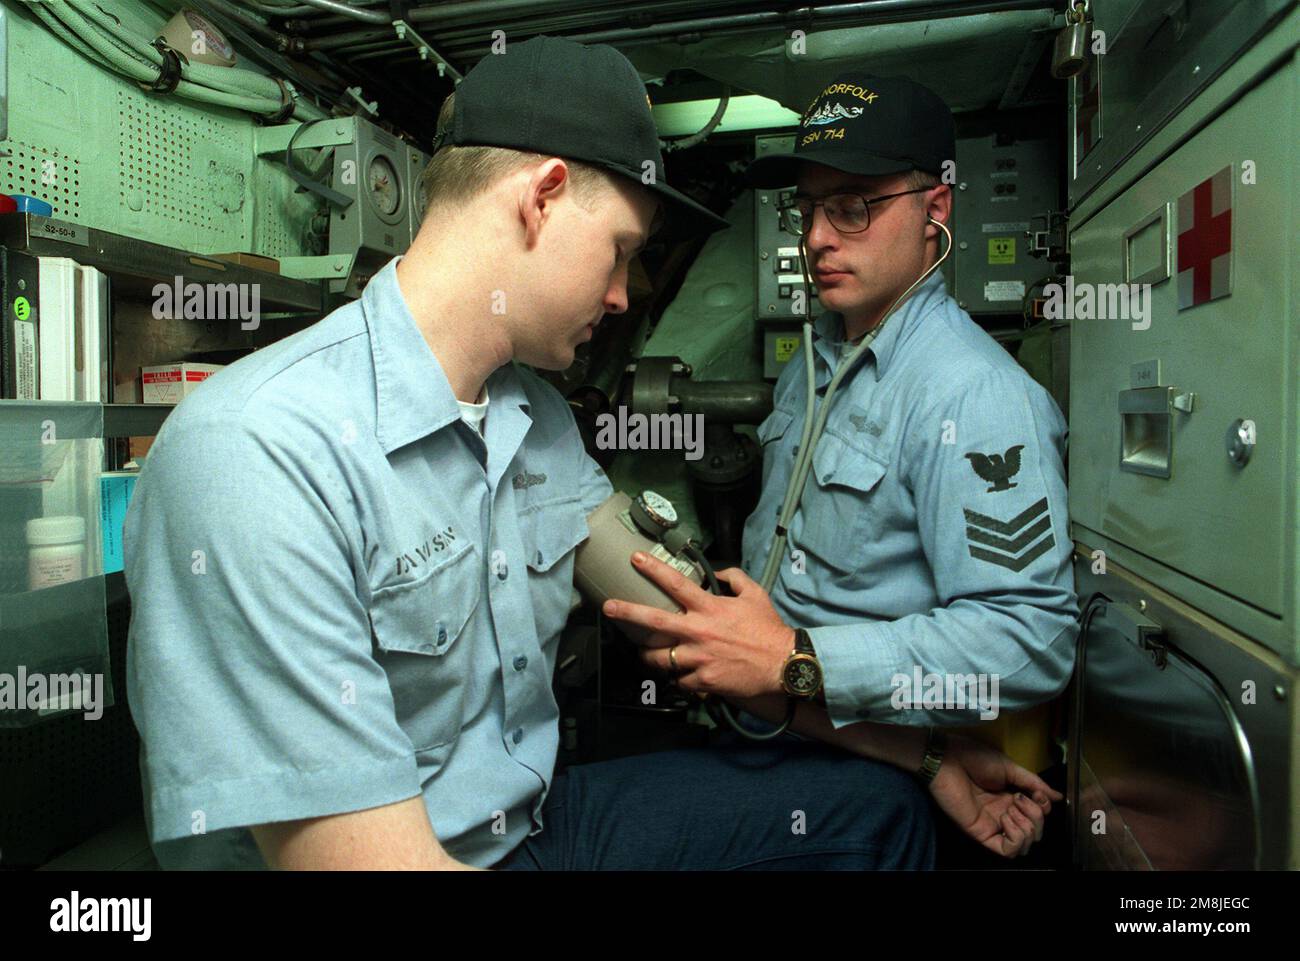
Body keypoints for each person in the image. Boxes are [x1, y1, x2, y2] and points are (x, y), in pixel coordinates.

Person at [125, 41, 1050, 870]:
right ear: (543, 197)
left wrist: (924, 755)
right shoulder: (258, 456)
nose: (620, 296)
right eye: (619, 253)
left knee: (877, 813)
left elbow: (696, 630)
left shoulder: (533, 416)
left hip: (528, 822)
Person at [602, 72, 1076, 858]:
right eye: (808, 208)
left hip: (859, 772)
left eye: (853, 206)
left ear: (937, 208)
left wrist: (795, 661)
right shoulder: (819, 358)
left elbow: (1029, 640)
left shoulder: (977, 394)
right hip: (794, 732)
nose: (818, 236)